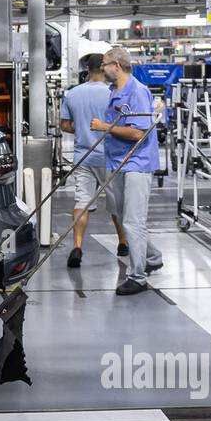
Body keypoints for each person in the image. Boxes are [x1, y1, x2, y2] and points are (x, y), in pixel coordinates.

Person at [90, 46, 163, 296]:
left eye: (105, 64)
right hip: (118, 161)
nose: (102, 69)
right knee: (123, 217)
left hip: (137, 164)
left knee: (133, 221)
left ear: (116, 66)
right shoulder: (114, 91)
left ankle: (138, 276)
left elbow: (138, 133)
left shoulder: (137, 92)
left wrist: (104, 127)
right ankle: (153, 257)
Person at [59, 53, 128, 269]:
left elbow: (64, 125)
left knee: (82, 202)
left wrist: (81, 126)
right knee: (116, 202)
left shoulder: (72, 94)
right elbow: (125, 125)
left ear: (87, 70)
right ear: (106, 68)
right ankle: (123, 243)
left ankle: (77, 247)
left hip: (83, 156)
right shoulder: (113, 93)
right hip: (110, 157)